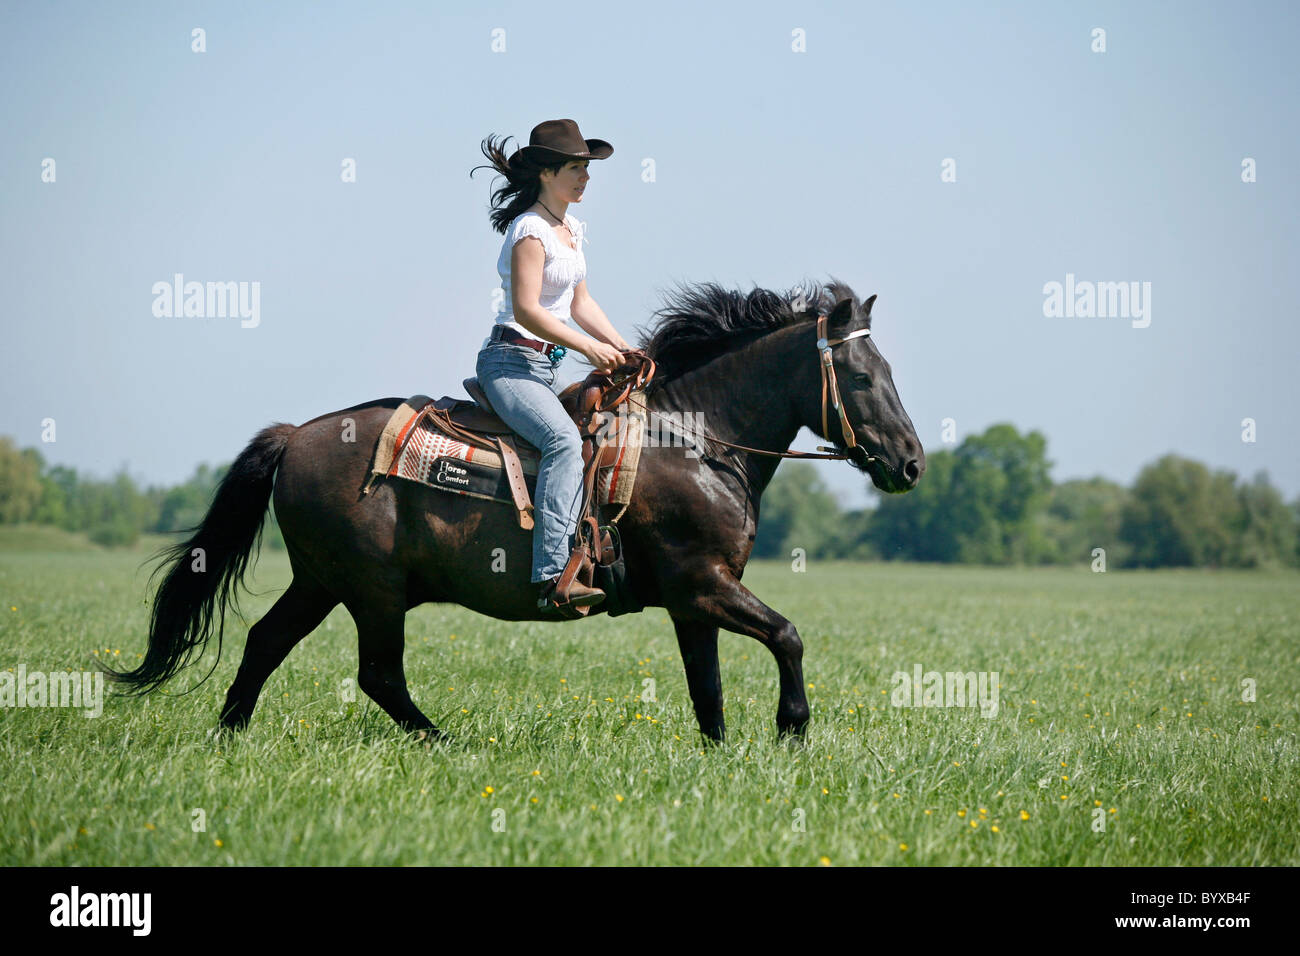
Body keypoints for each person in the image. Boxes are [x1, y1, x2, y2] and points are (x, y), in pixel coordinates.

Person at [470, 119, 631, 615]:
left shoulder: (571, 229)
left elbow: (580, 303)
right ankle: (552, 577)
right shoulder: (530, 230)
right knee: (562, 442)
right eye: (574, 168)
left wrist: (623, 348)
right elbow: (527, 310)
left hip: (548, 366)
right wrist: (588, 349)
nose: (585, 177)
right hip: (510, 364)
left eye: (587, 168)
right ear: (546, 174)